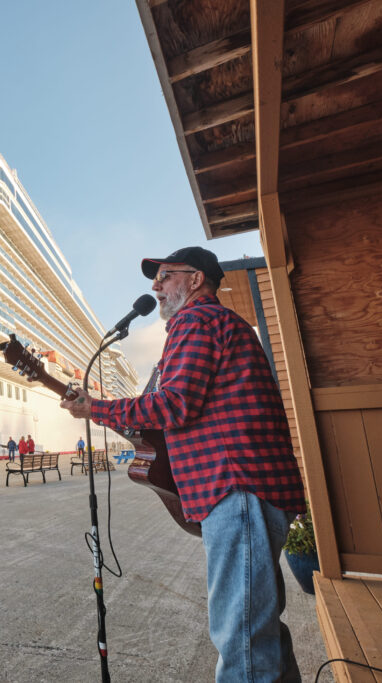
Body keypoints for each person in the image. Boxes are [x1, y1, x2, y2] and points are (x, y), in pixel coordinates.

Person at [60, 246, 306, 683]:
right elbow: (179, 413)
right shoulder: (218, 326)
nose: (155, 287)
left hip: (237, 489)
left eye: (165, 276)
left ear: (195, 280)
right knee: (258, 624)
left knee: (243, 637)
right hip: (249, 488)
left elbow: (174, 405)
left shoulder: (196, 320)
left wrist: (96, 408)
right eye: (153, 279)